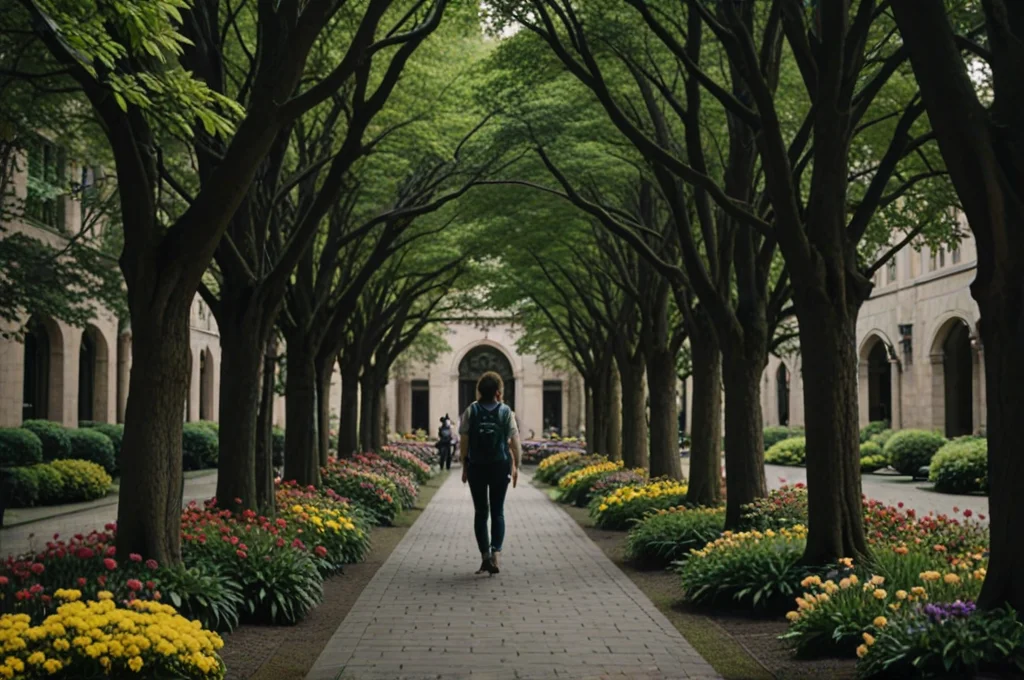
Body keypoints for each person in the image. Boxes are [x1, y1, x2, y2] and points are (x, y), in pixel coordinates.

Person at [459, 371, 520, 575]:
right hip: (499, 466)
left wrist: (465, 466)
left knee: (480, 512)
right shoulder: (505, 412)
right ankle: (496, 553)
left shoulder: (471, 411)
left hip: (477, 466)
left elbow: (464, 442)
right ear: (497, 391)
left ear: (480, 391)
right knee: (498, 511)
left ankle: (485, 556)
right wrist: (516, 466)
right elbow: (516, 442)